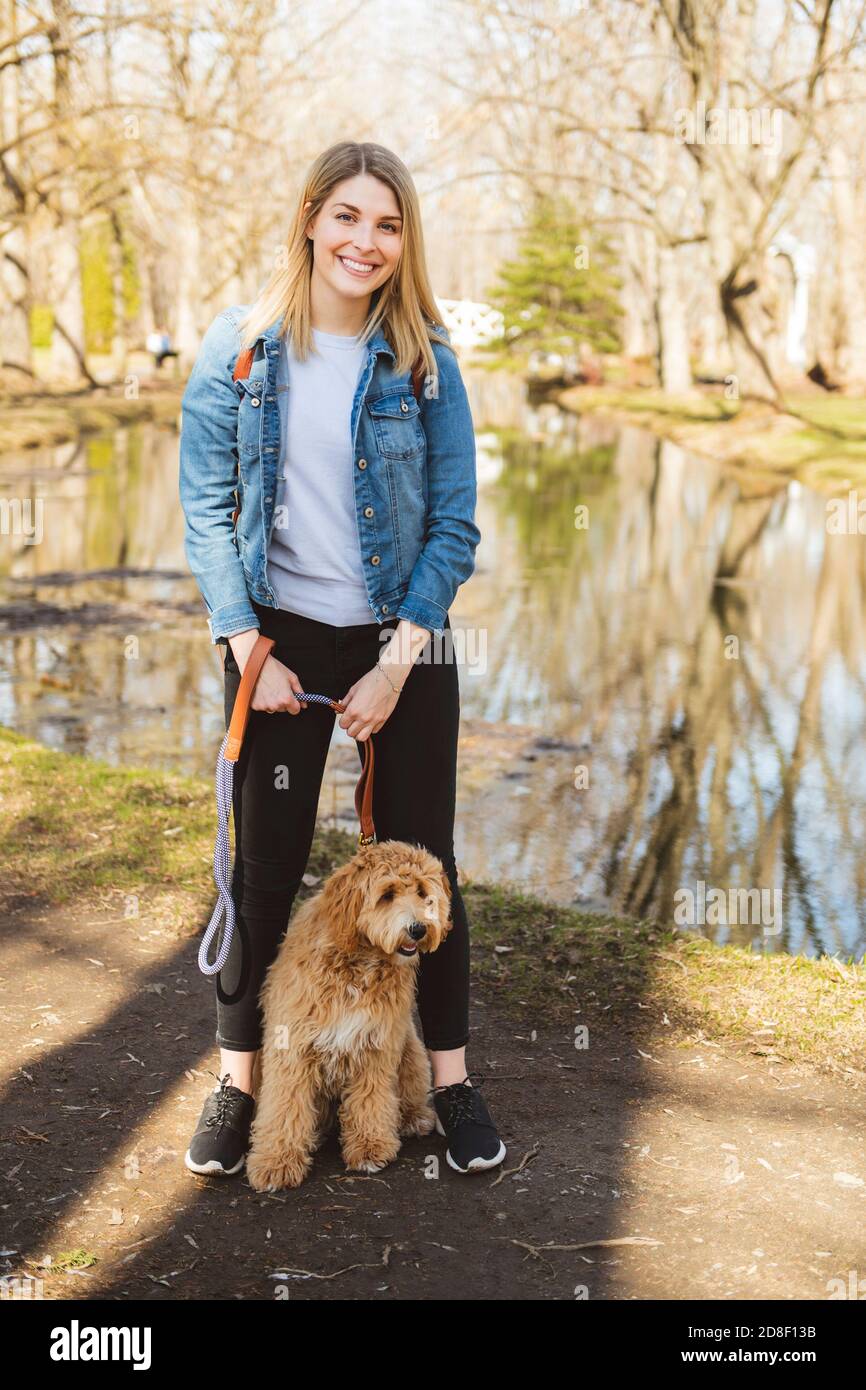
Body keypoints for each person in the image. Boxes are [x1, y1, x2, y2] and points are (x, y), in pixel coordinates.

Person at [178, 140, 506, 1179]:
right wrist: (244, 643)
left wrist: (399, 658)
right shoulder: (241, 347)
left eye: (389, 225)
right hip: (277, 638)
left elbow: (454, 525)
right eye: (349, 218)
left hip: (401, 635)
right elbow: (206, 509)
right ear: (312, 218)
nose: (366, 242)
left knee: (428, 867)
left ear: (405, 242)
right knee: (263, 871)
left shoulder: (424, 358)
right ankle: (241, 1084)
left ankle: (446, 1084)